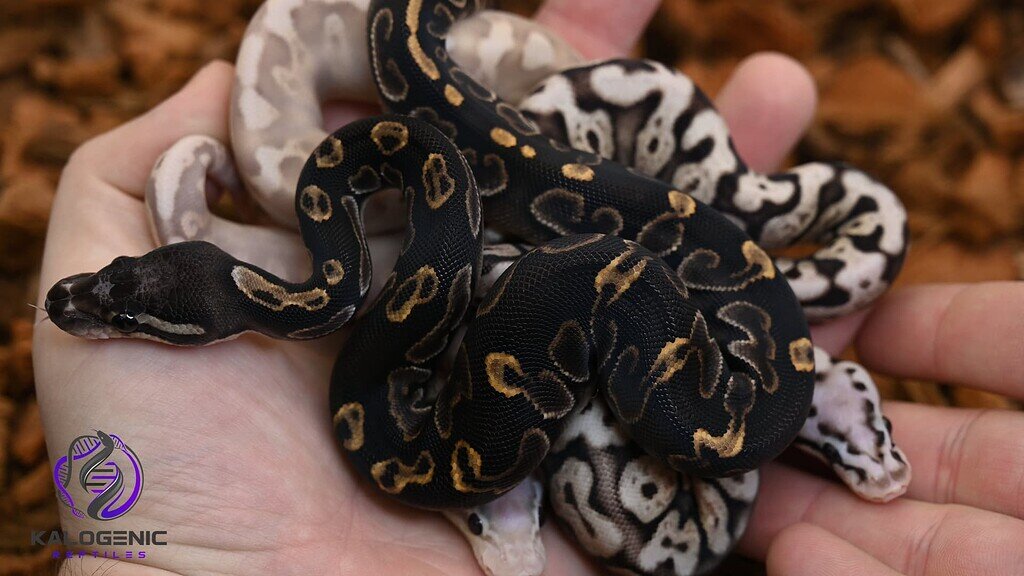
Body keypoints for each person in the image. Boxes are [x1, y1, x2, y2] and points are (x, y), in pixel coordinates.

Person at [33, 1, 1024, 574]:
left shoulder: (355, 282)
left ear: (213, 318)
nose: (97, 304)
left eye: (122, 307)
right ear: (208, 310)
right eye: (127, 303)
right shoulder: (375, 252)